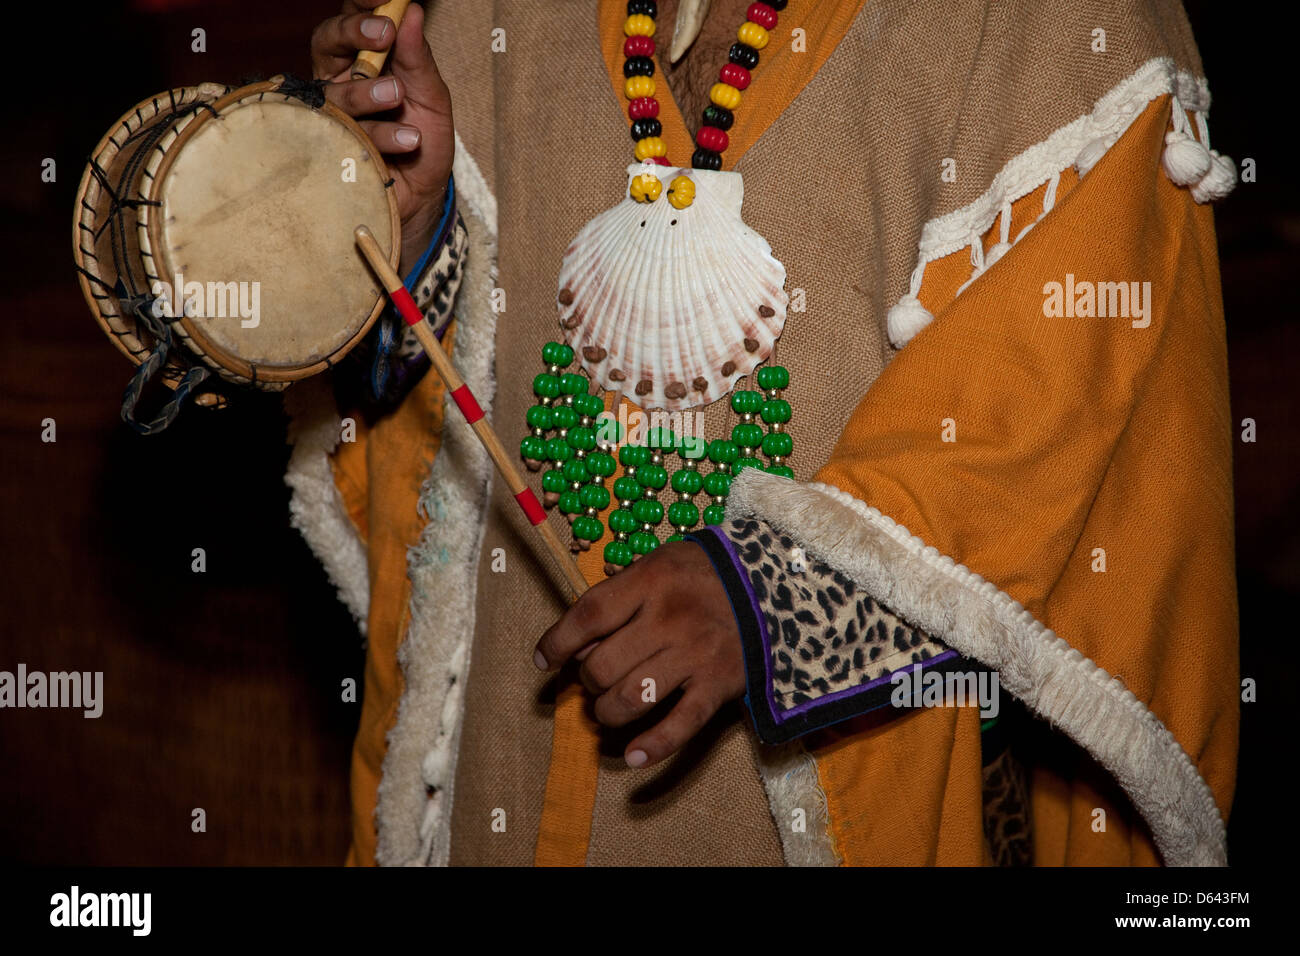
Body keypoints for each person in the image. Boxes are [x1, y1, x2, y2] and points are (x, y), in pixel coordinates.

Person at [290, 0, 1239, 866]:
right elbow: (444, 395)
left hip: (854, 799)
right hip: (502, 771)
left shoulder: (1060, 25)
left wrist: (774, 594)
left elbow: (1063, 413)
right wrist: (404, 241)